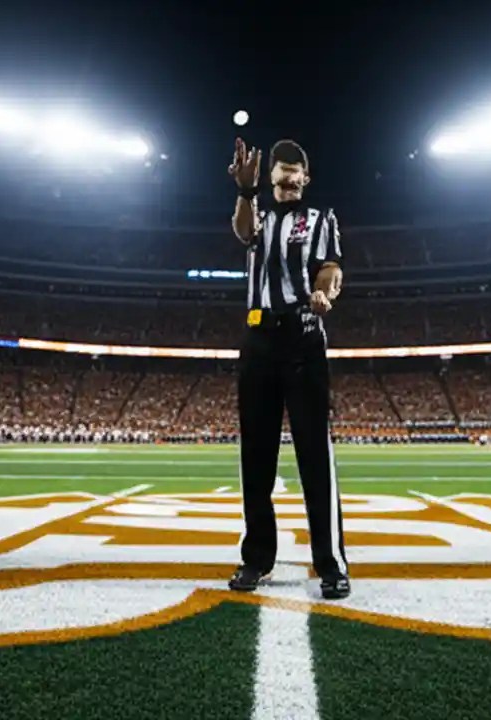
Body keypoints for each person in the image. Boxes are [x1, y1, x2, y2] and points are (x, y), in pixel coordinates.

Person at [226, 137, 350, 599]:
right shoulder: (256, 213)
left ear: (307, 177)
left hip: (302, 335)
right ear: (271, 175)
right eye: (285, 169)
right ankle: (256, 558)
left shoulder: (320, 219)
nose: (293, 176)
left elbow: (331, 267)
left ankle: (331, 563)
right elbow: (242, 234)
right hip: (258, 338)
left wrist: (326, 292)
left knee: (315, 455)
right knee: (255, 458)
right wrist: (243, 192)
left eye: (299, 170)